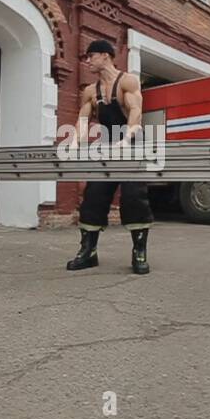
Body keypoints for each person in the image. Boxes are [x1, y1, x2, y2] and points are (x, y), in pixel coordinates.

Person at [66, 39, 154, 274]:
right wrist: (74, 143)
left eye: (90, 56)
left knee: (134, 197)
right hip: (106, 143)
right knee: (93, 195)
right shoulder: (90, 91)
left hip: (132, 142)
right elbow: (84, 120)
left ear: (105, 56)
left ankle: (139, 252)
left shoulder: (128, 81)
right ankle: (88, 253)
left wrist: (125, 141)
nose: (87, 61)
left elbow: (136, 114)